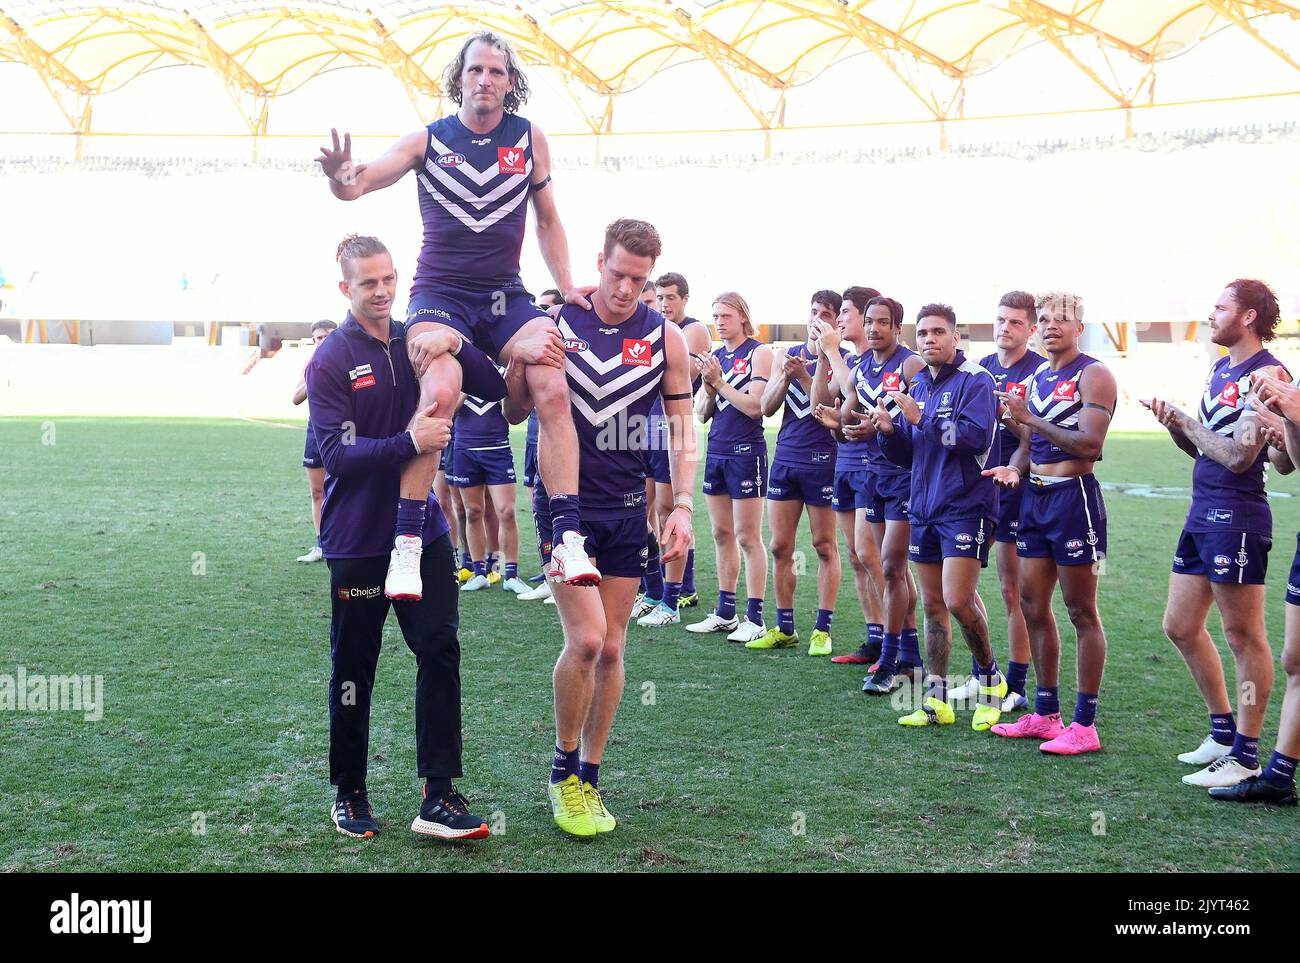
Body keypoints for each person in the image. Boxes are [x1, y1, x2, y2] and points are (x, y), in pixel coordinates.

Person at [316, 30, 598, 603]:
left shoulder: (529, 139)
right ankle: (407, 545)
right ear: (459, 78)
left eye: (497, 72)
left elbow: (547, 220)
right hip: (439, 293)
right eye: (476, 70)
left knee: (550, 374)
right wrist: (340, 175)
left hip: (504, 293)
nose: (486, 80)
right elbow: (361, 183)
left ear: (510, 82)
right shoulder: (428, 139)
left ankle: (566, 536)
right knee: (441, 388)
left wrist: (566, 286)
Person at [307, 234, 506, 840]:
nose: (382, 291)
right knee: (354, 668)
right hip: (361, 544)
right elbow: (336, 455)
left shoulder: (416, 337)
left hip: (427, 535)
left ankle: (439, 795)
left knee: (440, 652)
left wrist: (457, 340)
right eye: (368, 282)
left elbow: (492, 387)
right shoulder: (331, 359)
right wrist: (408, 444)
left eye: (389, 278)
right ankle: (350, 791)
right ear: (345, 288)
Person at [503, 218, 696, 836]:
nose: (625, 289)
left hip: (626, 509)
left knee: (613, 647)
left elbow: (684, 431)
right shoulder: (559, 323)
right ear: (598, 263)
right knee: (585, 640)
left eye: (639, 280)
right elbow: (513, 411)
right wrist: (515, 359)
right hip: (565, 508)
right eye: (617, 274)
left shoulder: (664, 337)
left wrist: (683, 506)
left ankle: (590, 774)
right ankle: (562, 771)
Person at [1143, 280, 1289, 788]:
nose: (1211, 315)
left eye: (1220, 307)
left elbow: (1239, 457)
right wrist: (1175, 428)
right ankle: (1223, 731)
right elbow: (1206, 452)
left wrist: (1187, 420)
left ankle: (1246, 753)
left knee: (1243, 636)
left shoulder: (1268, 373)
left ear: (1248, 316)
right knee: (1180, 626)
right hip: (1201, 512)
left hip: (1239, 519)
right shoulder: (1219, 369)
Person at [985, 292, 1117, 755]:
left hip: (1073, 499)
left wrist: (1030, 420)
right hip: (1034, 499)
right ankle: (1045, 713)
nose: (1050, 326)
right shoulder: (1039, 375)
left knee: (1081, 611)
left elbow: (1089, 444)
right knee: (1031, 605)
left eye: (1061, 319)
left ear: (1079, 326)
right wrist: (1016, 468)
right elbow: (1027, 442)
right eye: (1044, 319)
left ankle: (1085, 724)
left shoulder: (1094, 373)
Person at [870, 304, 1007, 731]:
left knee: (958, 600)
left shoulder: (976, 381)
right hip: (924, 506)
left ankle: (990, 682)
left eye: (938, 332)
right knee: (932, 605)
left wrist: (919, 418)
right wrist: (889, 432)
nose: (929, 339)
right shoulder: (919, 385)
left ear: (956, 338)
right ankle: (936, 701)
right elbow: (913, 452)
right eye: (923, 333)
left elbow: (972, 437)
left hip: (966, 506)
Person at [824, 292, 925, 694]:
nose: (873, 328)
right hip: (872, 476)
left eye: (882, 322)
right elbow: (846, 416)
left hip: (902, 476)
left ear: (897, 328)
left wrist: (885, 428)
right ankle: (910, 654)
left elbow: (923, 422)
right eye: (869, 321)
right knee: (881, 564)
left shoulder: (911, 364)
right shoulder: (858, 367)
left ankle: (891, 659)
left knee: (891, 565)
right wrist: (838, 424)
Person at [949, 292, 1044, 711]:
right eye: (1001, 320)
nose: (1005, 328)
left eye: (1015, 323)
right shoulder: (981, 369)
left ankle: (1017, 685)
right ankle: (984, 672)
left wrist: (1015, 424)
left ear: (1031, 329)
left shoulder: (1040, 371)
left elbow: (1039, 435)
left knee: (1012, 590)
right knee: (965, 589)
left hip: (1018, 491)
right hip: (977, 491)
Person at [1215, 364, 1300, 804]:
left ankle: (1259, 760)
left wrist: (1291, 411)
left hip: (1242, 520)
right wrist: (1282, 424)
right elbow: (1287, 465)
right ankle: (1279, 778)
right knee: (1295, 659)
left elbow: (1244, 458)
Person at [750, 291, 843, 654]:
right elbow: (765, 408)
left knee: (823, 546)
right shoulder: (784, 355)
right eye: (813, 312)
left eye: (825, 314)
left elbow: (825, 405)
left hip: (823, 461)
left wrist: (806, 374)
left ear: (835, 322)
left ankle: (823, 628)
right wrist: (785, 378)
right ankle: (785, 626)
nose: (817, 319)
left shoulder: (840, 358)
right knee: (779, 546)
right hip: (786, 459)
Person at [686, 292, 773, 643]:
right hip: (718, 450)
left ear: (742, 316)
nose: (719, 322)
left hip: (746, 453)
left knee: (747, 537)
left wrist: (720, 382)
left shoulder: (759, 352)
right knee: (721, 535)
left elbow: (757, 408)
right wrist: (708, 386)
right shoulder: (715, 356)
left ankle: (755, 617)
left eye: (725, 315)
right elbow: (703, 413)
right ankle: (725, 613)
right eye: (715, 316)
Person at [812, 289, 888, 668]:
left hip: (873, 467)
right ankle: (875, 638)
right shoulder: (845, 358)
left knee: (873, 556)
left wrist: (831, 352)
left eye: (845, 312)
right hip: (845, 460)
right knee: (857, 557)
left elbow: (851, 389)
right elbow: (821, 403)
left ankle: (898, 641)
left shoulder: (873, 360)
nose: (838, 319)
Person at [636, 271, 712, 626]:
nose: (664, 305)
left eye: (669, 298)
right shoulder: (651, 328)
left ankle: (671, 599)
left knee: (670, 513)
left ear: (684, 299)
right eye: (658, 299)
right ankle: (654, 590)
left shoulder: (691, 331)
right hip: (641, 431)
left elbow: (680, 381)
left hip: (670, 430)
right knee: (640, 512)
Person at [448, 380, 528, 593]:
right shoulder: (460, 369)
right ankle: (479, 572)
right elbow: (448, 410)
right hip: (464, 449)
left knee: (507, 511)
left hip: (497, 449)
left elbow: (516, 411)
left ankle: (511, 574)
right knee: (473, 512)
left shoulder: (503, 368)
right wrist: (465, 388)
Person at [520, 288, 564, 595]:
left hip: (563, 439)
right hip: (536, 434)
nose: (541, 312)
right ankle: (550, 575)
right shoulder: (532, 345)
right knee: (540, 505)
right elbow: (512, 410)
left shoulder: (566, 347)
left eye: (547, 308)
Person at [292, 319, 337, 562]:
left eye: (329, 335)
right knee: (316, 490)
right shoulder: (311, 365)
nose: (323, 341)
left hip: (345, 431)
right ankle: (320, 545)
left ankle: (343, 541)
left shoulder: (348, 360)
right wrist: (317, 371)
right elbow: (296, 397)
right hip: (316, 431)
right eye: (319, 338)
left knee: (345, 488)